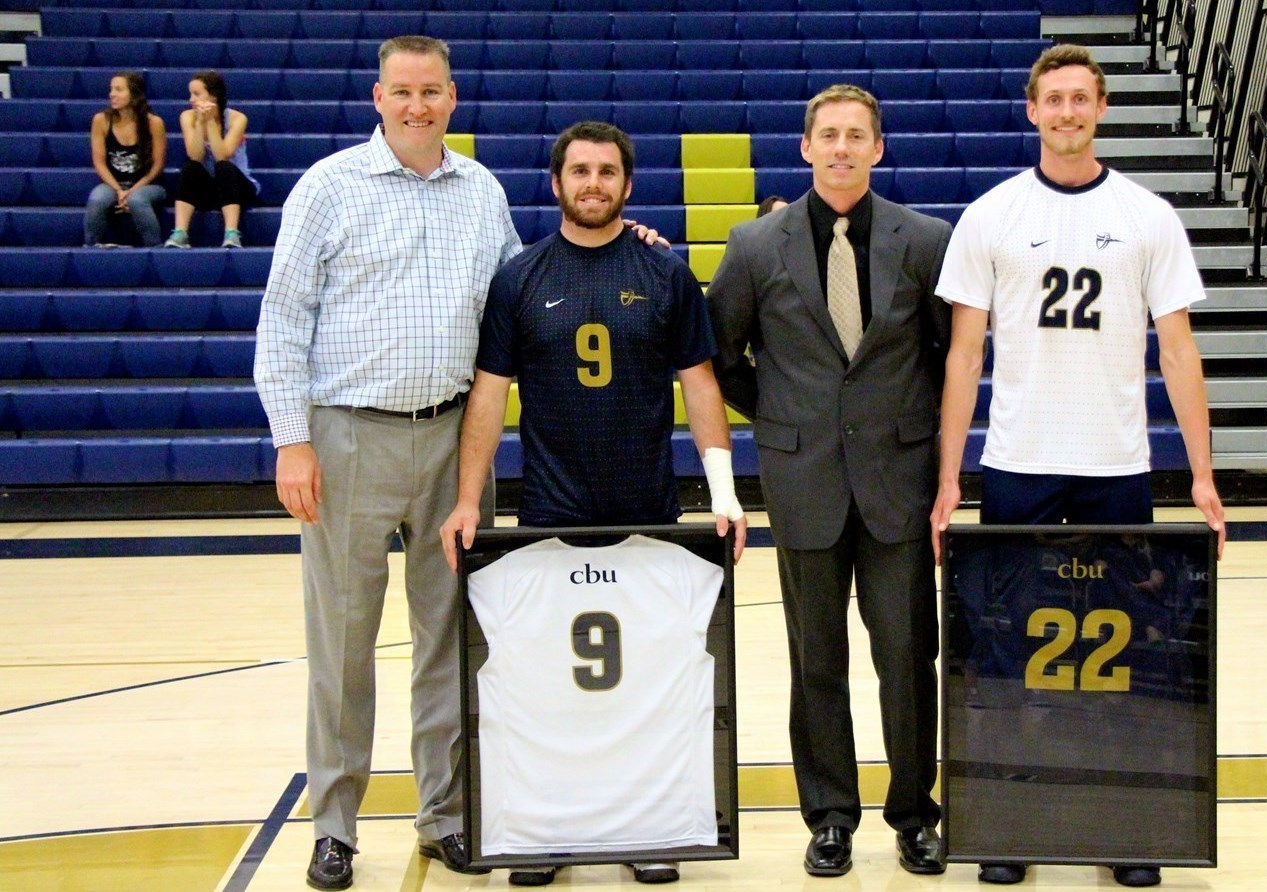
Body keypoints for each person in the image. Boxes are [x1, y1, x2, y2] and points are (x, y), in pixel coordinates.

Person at [928, 44, 1227, 888]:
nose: (1066, 112)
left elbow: (1179, 352)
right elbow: (963, 357)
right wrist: (950, 478)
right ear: (1032, 110)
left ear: (1100, 108)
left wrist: (1203, 476)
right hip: (1018, 462)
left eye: (1079, 98)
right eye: (1052, 99)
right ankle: (1007, 820)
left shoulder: (1148, 215)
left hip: (1115, 465)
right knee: (1008, 649)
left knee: (1124, 650)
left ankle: (1126, 825)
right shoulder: (991, 214)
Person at [439, 119, 745, 888]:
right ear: (556, 183)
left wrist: (725, 495)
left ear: (628, 185)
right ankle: (548, 833)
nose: (594, 184)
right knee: (549, 690)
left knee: (645, 685)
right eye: (580, 171)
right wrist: (468, 500)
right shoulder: (520, 277)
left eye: (608, 172)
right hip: (549, 515)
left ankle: (648, 828)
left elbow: (701, 386)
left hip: (647, 513)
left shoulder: (665, 272)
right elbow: (488, 396)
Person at [253, 35, 523, 892]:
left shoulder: (482, 192)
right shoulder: (328, 186)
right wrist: (292, 438)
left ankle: (444, 816)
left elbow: (525, 296)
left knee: (449, 639)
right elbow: (282, 320)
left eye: (431, 91)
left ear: (452, 97)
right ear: (378, 97)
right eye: (402, 91)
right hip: (347, 439)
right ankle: (334, 826)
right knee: (343, 644)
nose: (417, 105)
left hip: (451, 441)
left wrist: (620, 246)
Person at [705, 85, 950, 879]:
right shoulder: (753, 245)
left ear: (878, 148)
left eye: (856, 136)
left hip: (897, 482)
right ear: (806, 147)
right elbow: (718, 355)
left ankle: (914, 813)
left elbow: (948, 356)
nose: (842, 148)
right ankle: (831, 817)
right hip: (802, 479)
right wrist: (783, 413)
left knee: (907, 657)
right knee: (816, 660)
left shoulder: (926, 241)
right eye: (829, 136)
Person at [165, 70, 260, 248]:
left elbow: (222, 155)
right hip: (210, 189)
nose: (191, 100)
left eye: (197, 94)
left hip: (238, 188)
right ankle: (180, 233)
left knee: (224, 167)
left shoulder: (237, 118)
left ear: (213, 96)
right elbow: (195, 155)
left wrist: (210, 122)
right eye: (190, 94)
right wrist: (200, 123)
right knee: (190, 167)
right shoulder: (187, 117)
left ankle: (232, 233)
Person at [84, 71, 167, 247]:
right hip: (113, 183)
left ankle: (155, 247)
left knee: (137, 200)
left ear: (134, 94)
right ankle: (90, 247)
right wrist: (119, 190)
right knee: (97, 199)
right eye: (111, 89)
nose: (112, 94)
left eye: (119, 89)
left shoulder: (154, 123)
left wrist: (131, 191)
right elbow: (99, 163)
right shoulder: (101, 120)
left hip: (148, 184)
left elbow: (158, 166)